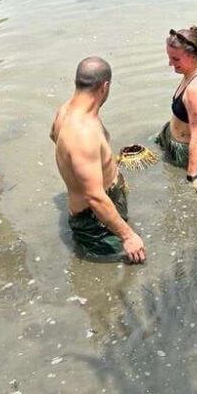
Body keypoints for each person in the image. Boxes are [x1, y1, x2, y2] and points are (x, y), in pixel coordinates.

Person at [51, 57, 145, 263]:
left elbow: (54, 137)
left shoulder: (65, 111)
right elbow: (94, 197)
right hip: (95, 222)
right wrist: (128, 236)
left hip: (104, 206)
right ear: (105, 86)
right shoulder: (82, 134)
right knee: (135, 264)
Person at [154, 26, 197, 193]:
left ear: (192, 56)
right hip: (171, 136)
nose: (170, 63)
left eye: (175, 59)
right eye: (169, 57)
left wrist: (192, 177)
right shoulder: (192, 72)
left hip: (184, 151)